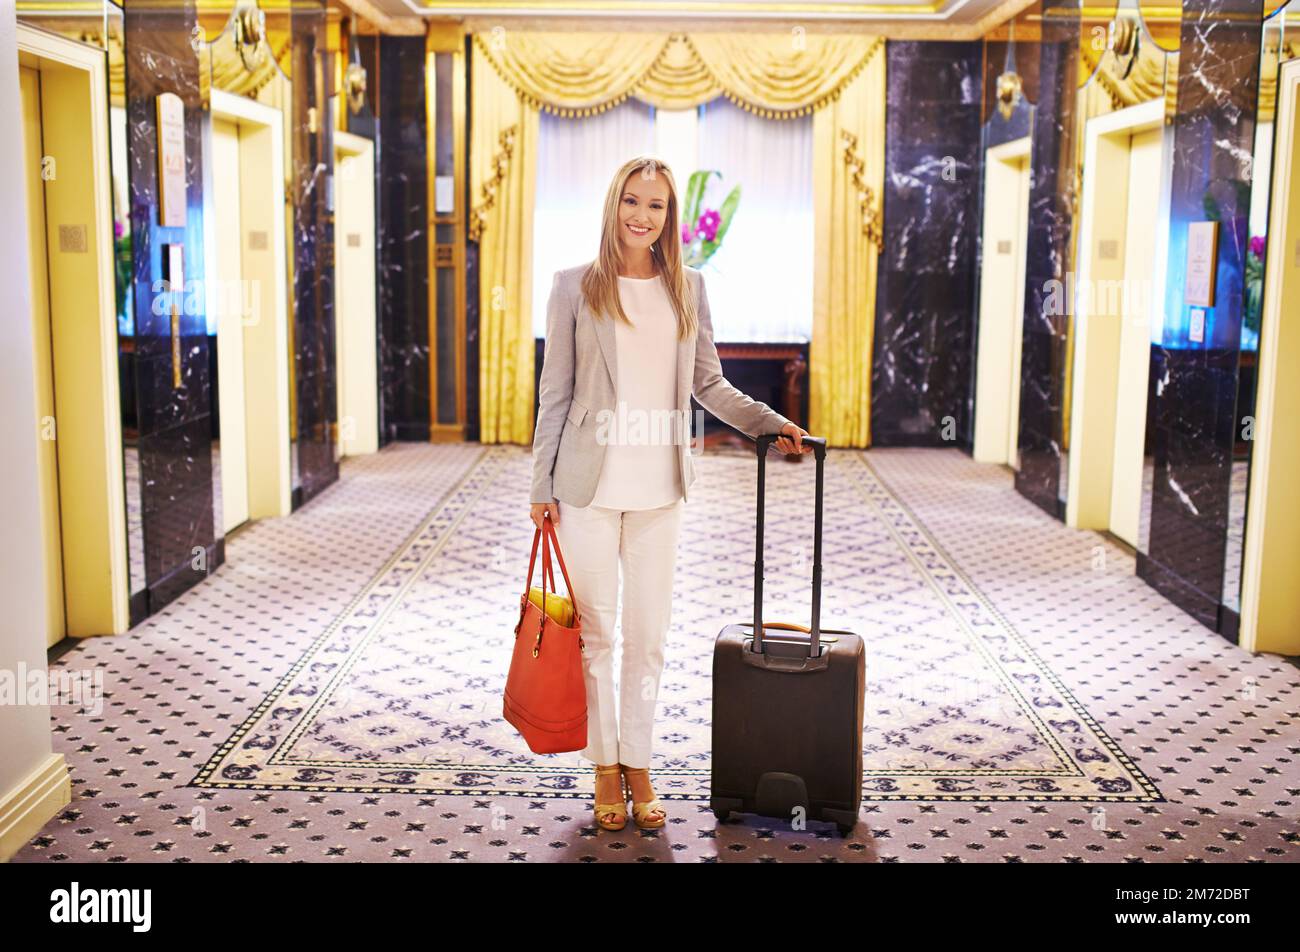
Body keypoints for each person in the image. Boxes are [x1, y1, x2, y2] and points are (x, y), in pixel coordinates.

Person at [528, 154, 811, 831]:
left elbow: (708, 384)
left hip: (660, 491)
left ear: (669, 216)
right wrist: (540, 483)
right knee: (597, 637)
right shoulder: (575, 287)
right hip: (588, 490)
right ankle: (603, 769)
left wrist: (770, 425)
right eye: (631, 200)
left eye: (654, 205)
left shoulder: (690, 287)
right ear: (613, 204)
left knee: (648, 639)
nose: (641, 215)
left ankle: (639, 763)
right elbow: (555, 394)